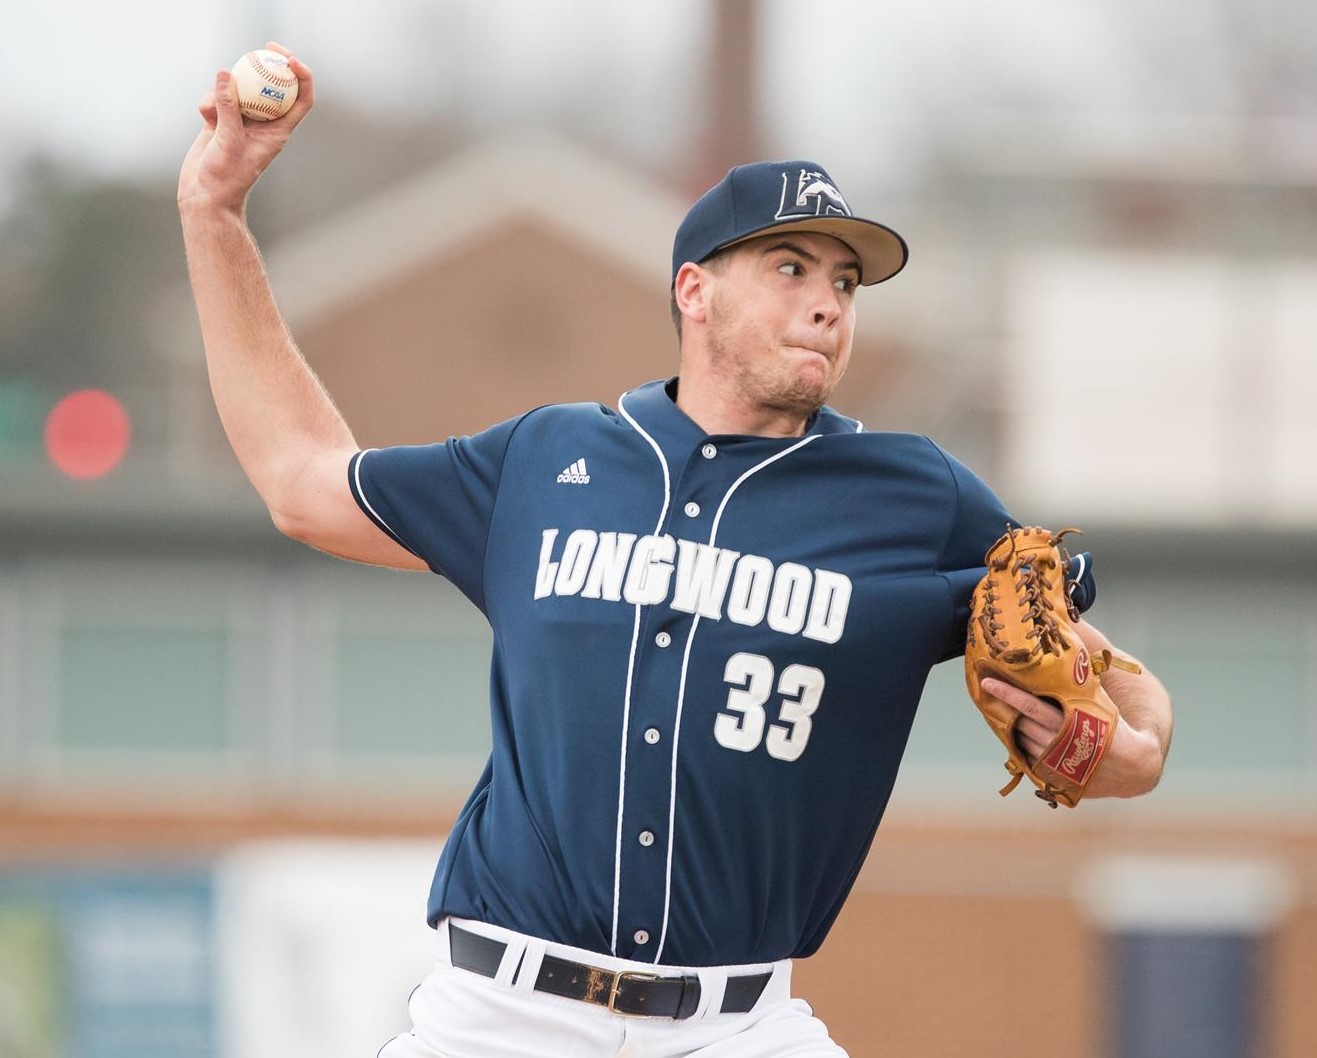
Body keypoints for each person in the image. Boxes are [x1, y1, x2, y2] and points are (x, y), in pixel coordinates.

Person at [178, 44, 1173, 1058]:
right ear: (694, 292)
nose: (828, 301)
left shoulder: (914, 494)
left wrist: (1131, 752)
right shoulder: (546, 460)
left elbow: (1118, 693)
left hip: (740, 1025)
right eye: (789, 267)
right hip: (500, 1018)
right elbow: (302, 479)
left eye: (843, 279)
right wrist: (213, 217)